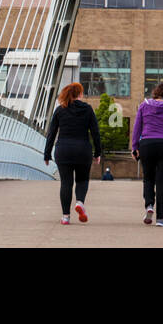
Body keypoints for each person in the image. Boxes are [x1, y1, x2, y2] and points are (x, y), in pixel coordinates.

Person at [43, 81, 101, 225]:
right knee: (82, 180)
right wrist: (98, 152)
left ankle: (65, 217)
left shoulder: (60, 110)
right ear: (80, 94)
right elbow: (95, 132)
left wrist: (47, 154)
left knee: (66, 183)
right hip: (83, 150)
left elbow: (51, 133)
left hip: (63, 150)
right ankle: (80, 202)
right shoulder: (88, 109)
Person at [131, 80, 163, 227]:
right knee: (162, 182)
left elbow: (137, 128)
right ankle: (160, 218)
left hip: (147, 144)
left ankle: (149, 205)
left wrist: (135, 147)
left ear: (155, 93)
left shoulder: (144, 105)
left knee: (148, 179)